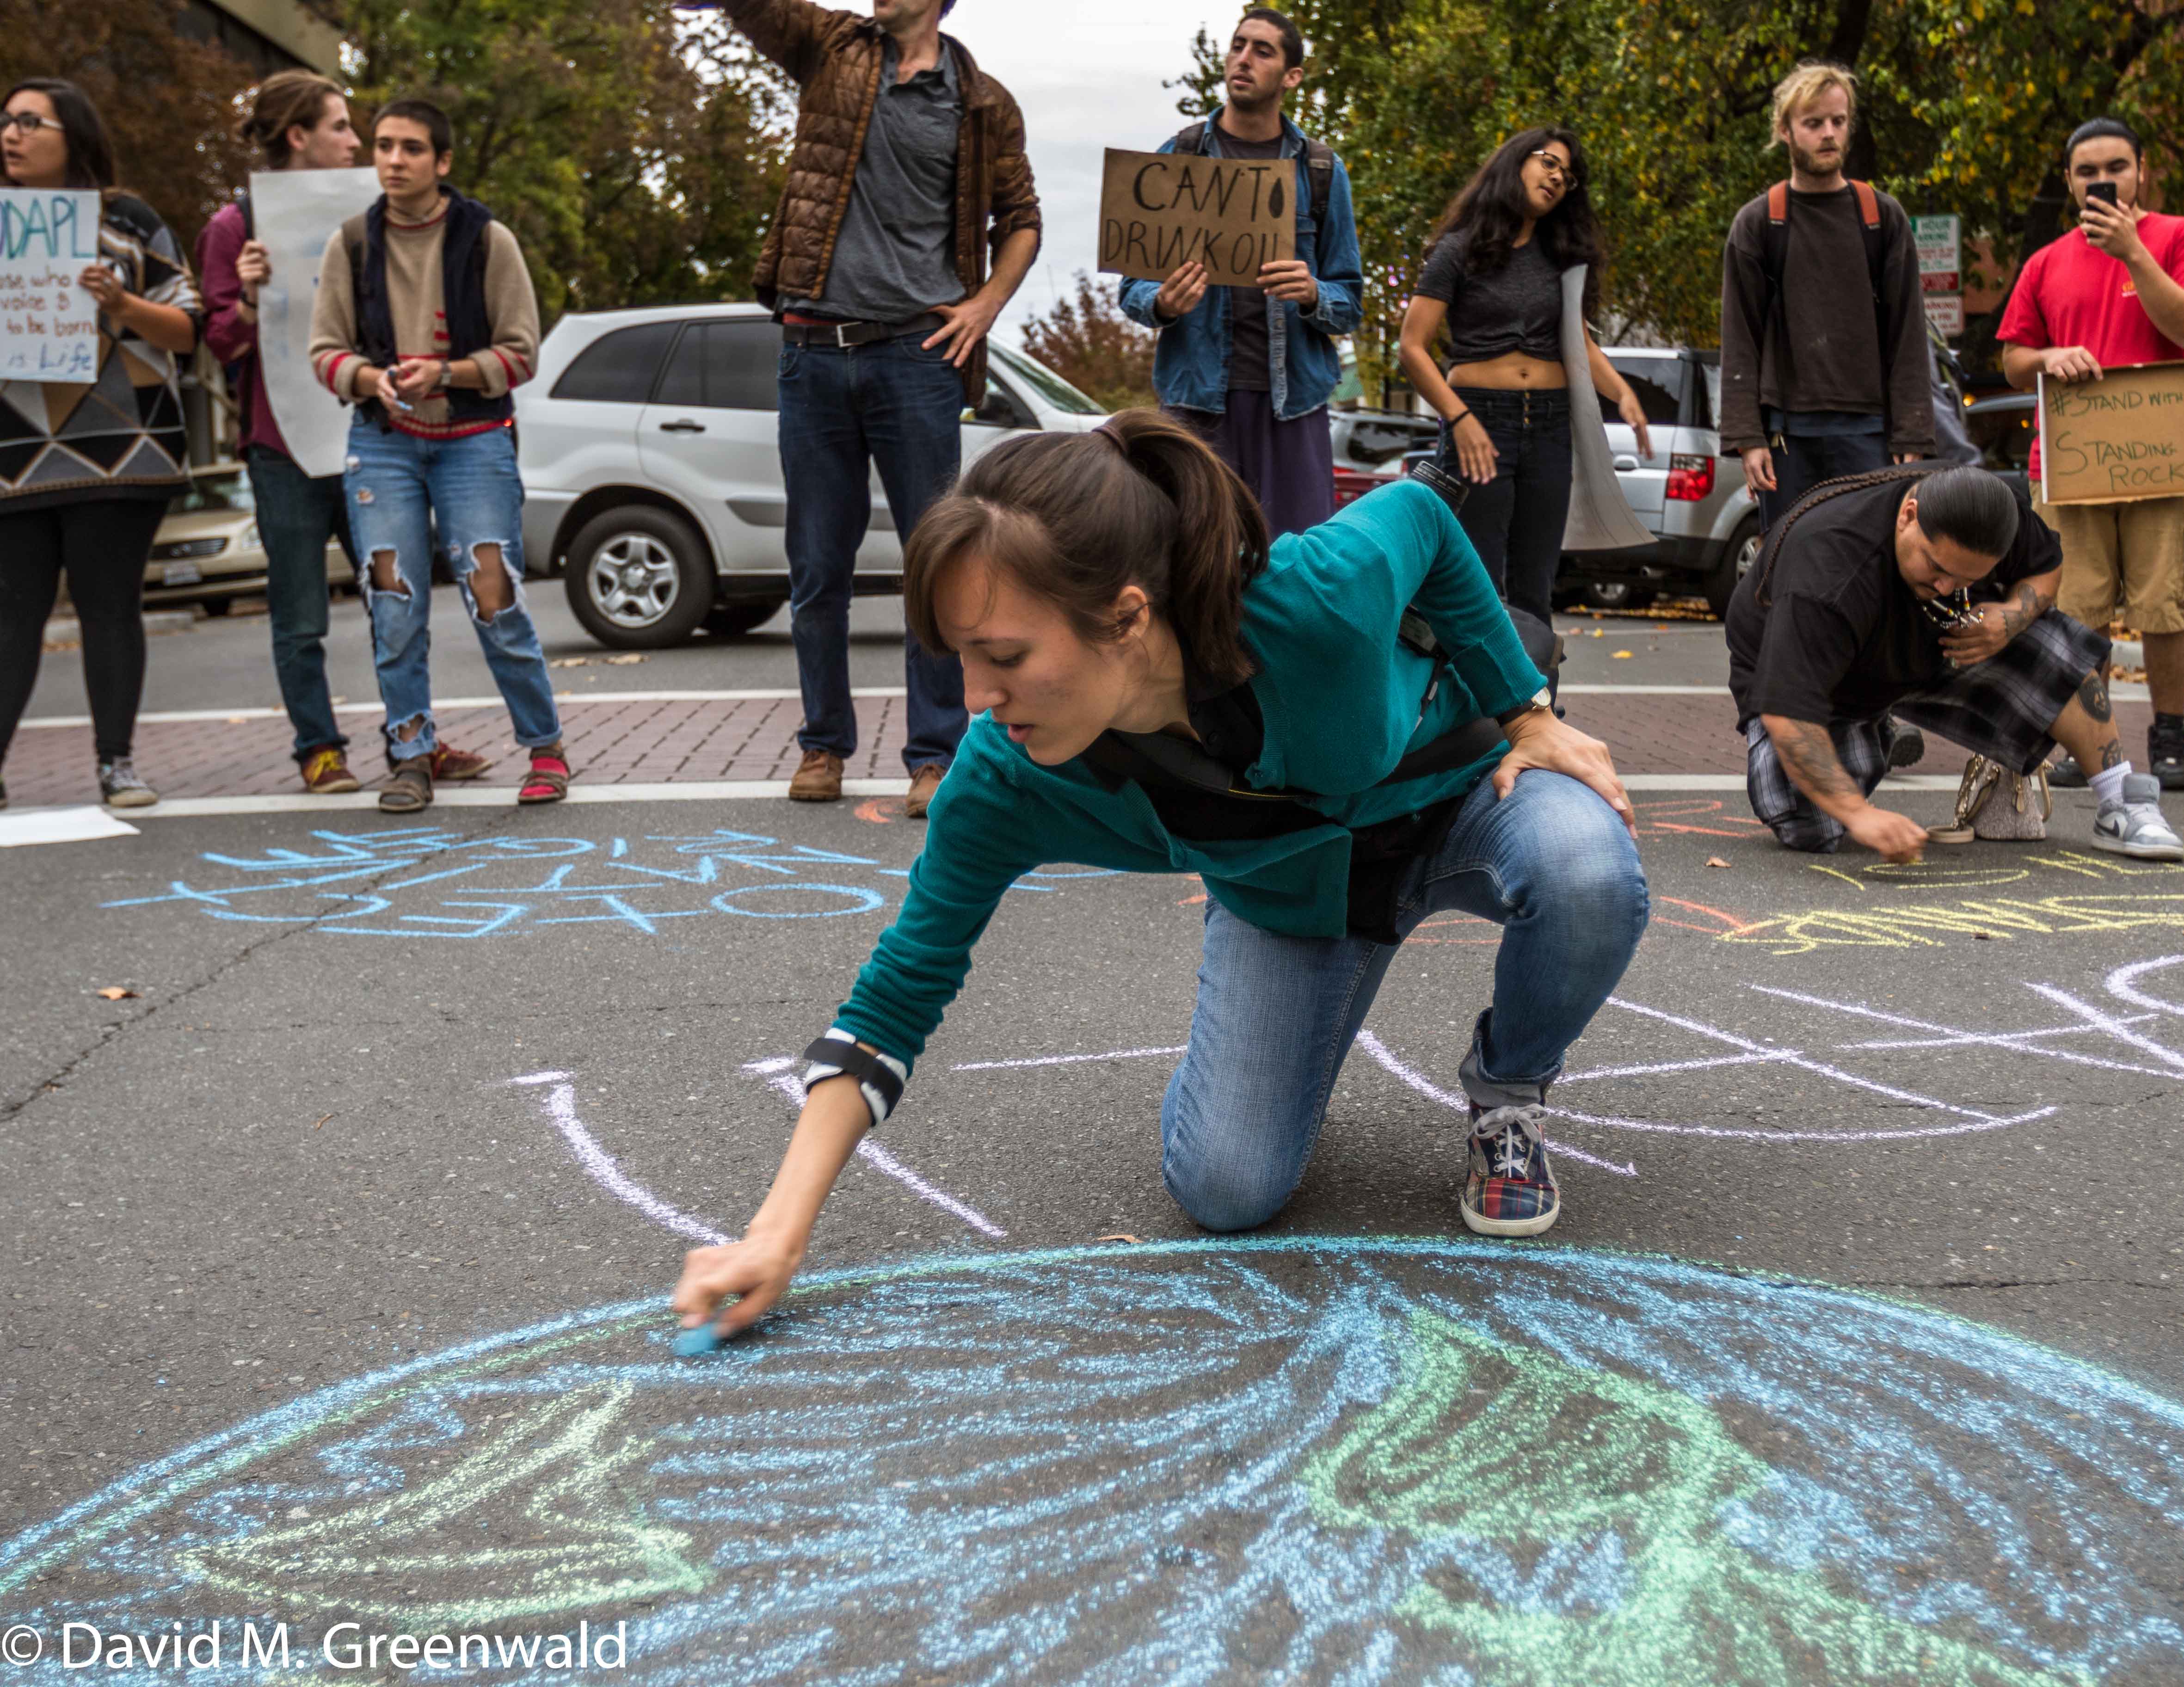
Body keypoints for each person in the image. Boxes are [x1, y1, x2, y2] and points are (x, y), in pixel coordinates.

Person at [671, 413, 1647, 1338]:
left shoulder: (1309, 604)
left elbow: (1425, 516)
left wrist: (1526, 711)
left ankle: (1509, 1091)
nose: (975, 697)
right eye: (960, 658)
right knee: (1226, 1189)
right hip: (1299, 898)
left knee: (1586, 865)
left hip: (1468, 803)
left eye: (1004, 655)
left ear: (1127, 616)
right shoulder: (1005, 777)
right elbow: (895, 996)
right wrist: (775, 1234)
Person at [718, 0, 1041, 816]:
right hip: (812, 355)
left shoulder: (982, 101)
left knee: (933, 566)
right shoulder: (831, 47)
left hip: (915, 358)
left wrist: (986, 307)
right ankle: (823, 745)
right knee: (817, 566)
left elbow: (1023, 219)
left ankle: (934, 758)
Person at [307, 98, 569, 813]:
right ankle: (411, 755)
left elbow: (522, 354)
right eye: (385, 146)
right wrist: (369, 378)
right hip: (383, 444)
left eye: (412, 148)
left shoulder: (488, 240)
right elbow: (323, 351)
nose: (394, 160)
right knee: (394, 607)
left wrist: (446, 373)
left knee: (497, 599)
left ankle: (545, 749)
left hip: (473, 442)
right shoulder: (352, 243)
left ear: (442, 162)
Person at [1724, 465, 2184, 863]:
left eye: (1968, 579)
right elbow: (1789, 714)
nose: (1947, 587)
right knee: (1811, 824)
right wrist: (1859, 814)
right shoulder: (1826, 573)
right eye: (1936, 568)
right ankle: (1875, 729)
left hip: (1940, 642)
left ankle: (2120, 802)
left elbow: (2046, 567)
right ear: (1909, 516)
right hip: (1829, 684)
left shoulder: (1989, 509)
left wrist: (2009, 618)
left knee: (2054, 643)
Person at [1998, 117, 2184, 793]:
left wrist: (2133, 253)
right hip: (2074, 464)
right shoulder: (2046, 261)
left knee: (2167, 606)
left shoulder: (2182, 237)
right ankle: (2090, 741)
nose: (2103, 181)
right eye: (2088, 171)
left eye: (2117, 168)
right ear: (2070, 181)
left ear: (2142, 171)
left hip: (2162, 457)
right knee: (2076, 611)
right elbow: (2013, 362)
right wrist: (2049, 356)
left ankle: (2168, 735)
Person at [0, 79, 200, 812]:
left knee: (108, 606)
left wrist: (120, 304)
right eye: (5, 121)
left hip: (122, 450)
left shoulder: (129, 220)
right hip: (14, 459)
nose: (11, 134)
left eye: (30, 121)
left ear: (73, 134)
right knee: (11, 613)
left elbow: (187, 332)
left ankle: (117, 764)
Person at [198, 70, 394, 796]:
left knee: (392, 598)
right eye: (341, 126)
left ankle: (414, 738)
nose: (355, 140)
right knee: (301, 613)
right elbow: (219, 344)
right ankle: (320, 749)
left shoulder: (372, 209)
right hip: (282, 445)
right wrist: (248, 299)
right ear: (298, 136)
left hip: (369, 430)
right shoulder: (233, 226)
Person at [1120, 8, 1361, 540]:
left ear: (1292, 76)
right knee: (1194, 565)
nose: (1243, 59)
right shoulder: (1181, 155)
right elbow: (1131, 289)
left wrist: (1312, 294)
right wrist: (1162, 301)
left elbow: (1350, 301)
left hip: (1292, 406)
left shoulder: (1320, 171)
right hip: (1196, 404)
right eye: (1237, 46)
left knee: (1296, 568)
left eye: (1263, 51)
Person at [1397, 128, 1650, 624]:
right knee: (1479, 583)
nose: (1558, 177)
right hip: (1480, 424)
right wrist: (1460, 418)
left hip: (1551, 428)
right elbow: (1411, 347)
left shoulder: (1561, 260)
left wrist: (1623, 393)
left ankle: (1537, 702)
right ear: (1515, 163)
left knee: (1536, 585)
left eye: (1568, 176)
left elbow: (1579, 345)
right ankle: (1480, 704)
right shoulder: (1457, 250)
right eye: (1549, 163)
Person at [1719, 60, 1935, 528]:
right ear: (1786, 130)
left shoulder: (1882, 217)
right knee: (1790, 567)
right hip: (1787, 436)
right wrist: (1747, 437)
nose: (1829, 134)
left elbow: (1908, 336)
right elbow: (1740, 339)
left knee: (1870, 566)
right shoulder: (1759, 223)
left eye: (1838, 121)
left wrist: (1912, 434)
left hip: (1872, 433)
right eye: (1813, 123)